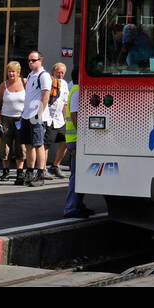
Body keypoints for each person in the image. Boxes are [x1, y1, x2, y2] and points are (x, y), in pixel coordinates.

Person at [61, 82, 93, 218]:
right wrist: (83, 136)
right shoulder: (77, 90)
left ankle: (78, 205)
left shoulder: (77, 90)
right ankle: (71, 208)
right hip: (76, 140)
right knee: (77, 176)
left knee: (80, 175)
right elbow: (75, 115)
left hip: (77, 140)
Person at [20, 51, 51, 186]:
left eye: (33, 60)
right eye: (29, 60)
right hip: (27, 114)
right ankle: (30, 171)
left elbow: (46, 95)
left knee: (38, 144)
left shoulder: (44, 76)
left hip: (36, 115)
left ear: (40, 61)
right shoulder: (30, 75)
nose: (30, 62)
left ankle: (40, 173)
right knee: (28, 145)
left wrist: (39, 113)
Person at [0, 61, 26, 183]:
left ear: (18, 72)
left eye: (13, 71)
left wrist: (26, 116)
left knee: (20, 146)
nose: (11, 73)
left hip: (21, 118)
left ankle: (19, 173)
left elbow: (29, 102)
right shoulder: (4, 85)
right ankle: (5, 172)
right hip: (6, 117)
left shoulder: (25, 83)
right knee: (5, 146)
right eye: (9, 71)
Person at [45, 62, 71, 178]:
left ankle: (55, 165)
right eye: (58, 72)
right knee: (46, 144)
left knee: (65, 141)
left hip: (60, 119)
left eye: (62, 73)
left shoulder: (65, 84)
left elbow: (65, 103)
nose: (60, 74)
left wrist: (65, 118)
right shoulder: (48, 82)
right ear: (53, 72)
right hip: (49, 118)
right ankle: (42, 168)